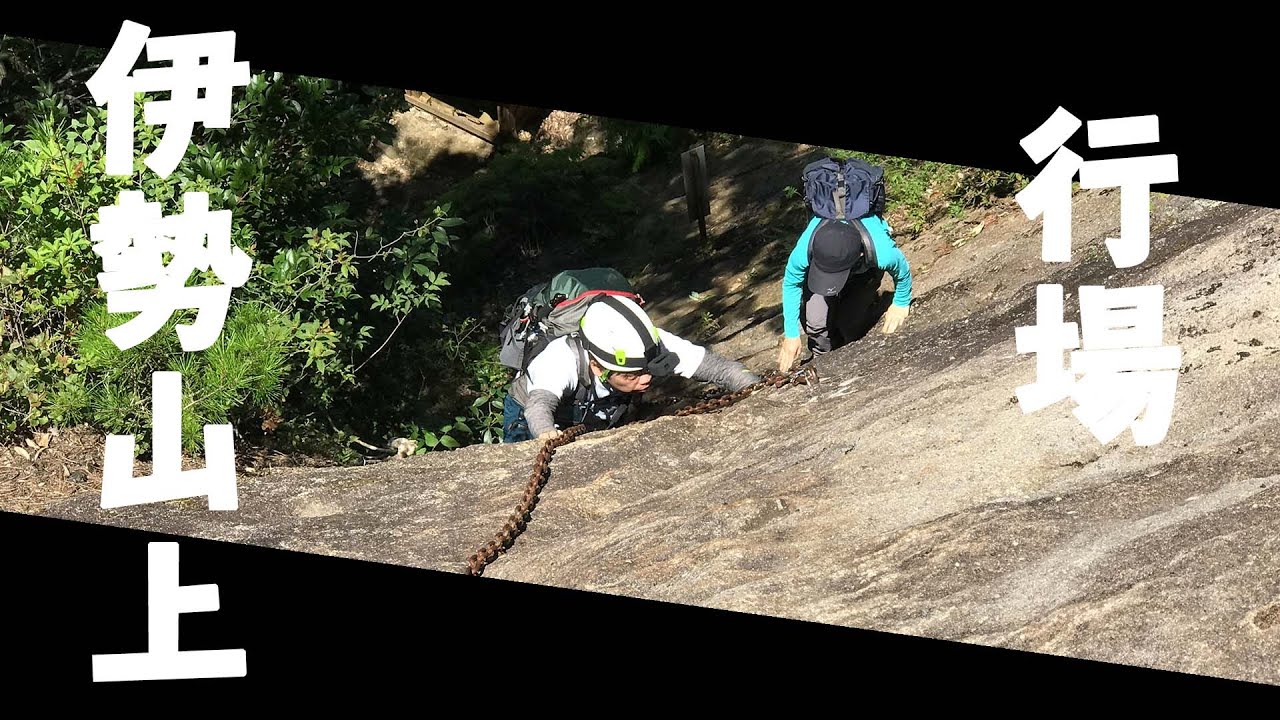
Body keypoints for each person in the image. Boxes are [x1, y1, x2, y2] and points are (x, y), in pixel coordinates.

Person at [503, 295, 761, 442]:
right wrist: (548, 436)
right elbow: (538, 407)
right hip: (527, 415)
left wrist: (756, 386)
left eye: (648, 369)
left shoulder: (651, 343)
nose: (646, 379)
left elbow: (720, 369)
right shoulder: (560, 359)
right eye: (633, 375)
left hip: (596, 409)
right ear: (596, 365)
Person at [777, 214, 914, 372]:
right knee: (815, 324)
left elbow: (902, 272)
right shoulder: (805, 250)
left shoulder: (880, 250)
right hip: (821, 267)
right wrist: (791, 334)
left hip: (862, 273)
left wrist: (901, 303)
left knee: (850, 325)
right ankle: (822, 360)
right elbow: (791, 283)